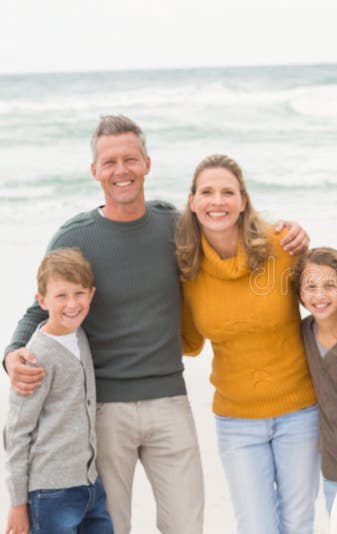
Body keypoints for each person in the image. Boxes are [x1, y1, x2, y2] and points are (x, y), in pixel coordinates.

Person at [3, 115, 309, 534]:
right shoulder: (75, 238)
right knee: (113, 526)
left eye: (131, 159)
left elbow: (226, 227)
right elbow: (39, 308)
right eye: (110, 162)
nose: (121, 170)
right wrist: (11, 354)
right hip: (104, 410)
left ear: (147, 163)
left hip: (170, 401)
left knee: (186, 525)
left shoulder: (175, 226)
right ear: (94, 171)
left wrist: (287, 231)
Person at [177, 154, 318, 534]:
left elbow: (323, 301)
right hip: (236, 420)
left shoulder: (282, 246)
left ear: (243, 200)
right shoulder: (187, 268)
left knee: (298, 523)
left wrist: (307, 246)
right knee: (255, 526)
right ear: (192, 201)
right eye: (207, 192)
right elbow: (189, 342)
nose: (217, 201)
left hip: (299, 411)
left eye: (228, 192)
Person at [4, 248, 112, 534]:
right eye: (61, 295)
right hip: (51, 494)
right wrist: (17, 503)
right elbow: (16, 432)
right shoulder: (35, 357)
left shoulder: (80, 336)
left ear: (91, 295)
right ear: (42, 300)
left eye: (79, 294)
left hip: (90, 486)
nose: (72, 304)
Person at [295, 247, 337, 515]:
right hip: (334, 470)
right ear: (299, 292)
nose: (319, 295)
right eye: (310, 286)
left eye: (329, 286)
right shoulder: (303, 333)